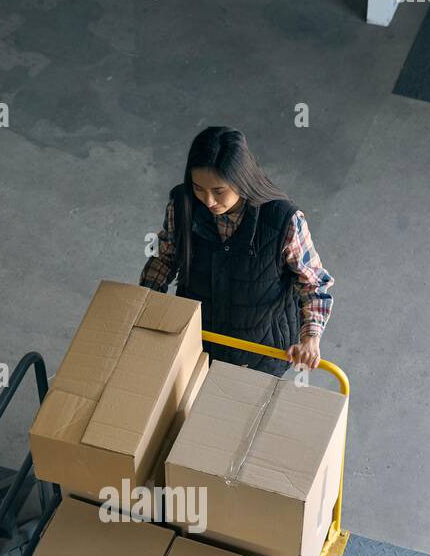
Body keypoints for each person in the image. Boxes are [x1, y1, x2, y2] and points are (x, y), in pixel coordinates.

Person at [140, 126, 333, 375]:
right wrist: (145, 303)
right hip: (197, 343)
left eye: (218, 191)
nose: (208, 201)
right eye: (199, 188)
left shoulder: (283, 220)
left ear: (242, 181)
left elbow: (313, 284)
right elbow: (164, 257)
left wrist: (311, 338)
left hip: (260, 355)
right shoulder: (183, 204)